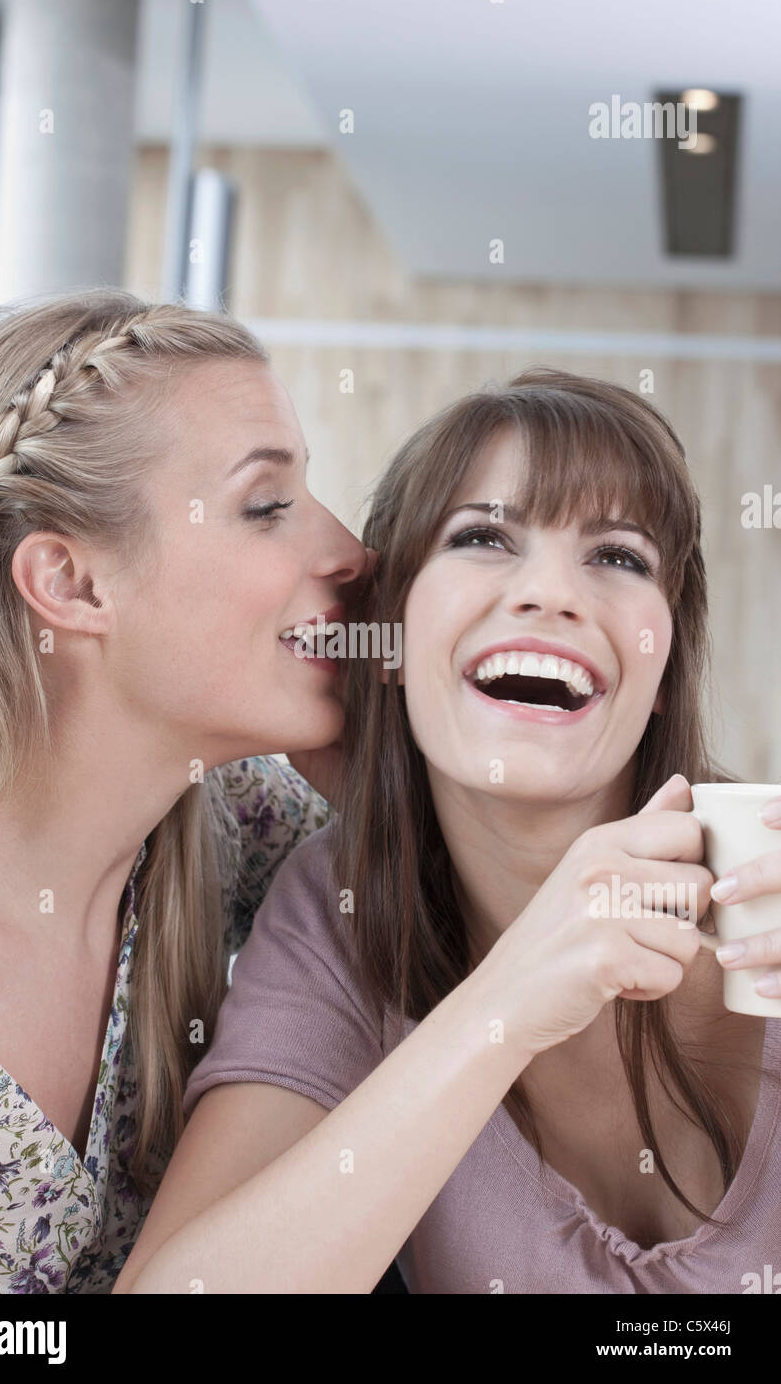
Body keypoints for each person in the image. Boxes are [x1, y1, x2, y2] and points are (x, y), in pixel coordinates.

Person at [115, 370, 781, 1294]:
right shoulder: (339, 913)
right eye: (481, 538)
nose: (551, 593)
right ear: (387, 643)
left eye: (619, 557)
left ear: (663, 662)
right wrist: (504, 1005)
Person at [0, 287, 369, 1293]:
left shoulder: (236, 822)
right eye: (265, 508)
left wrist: (387, 779)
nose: (348, 552)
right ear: (73, 586)